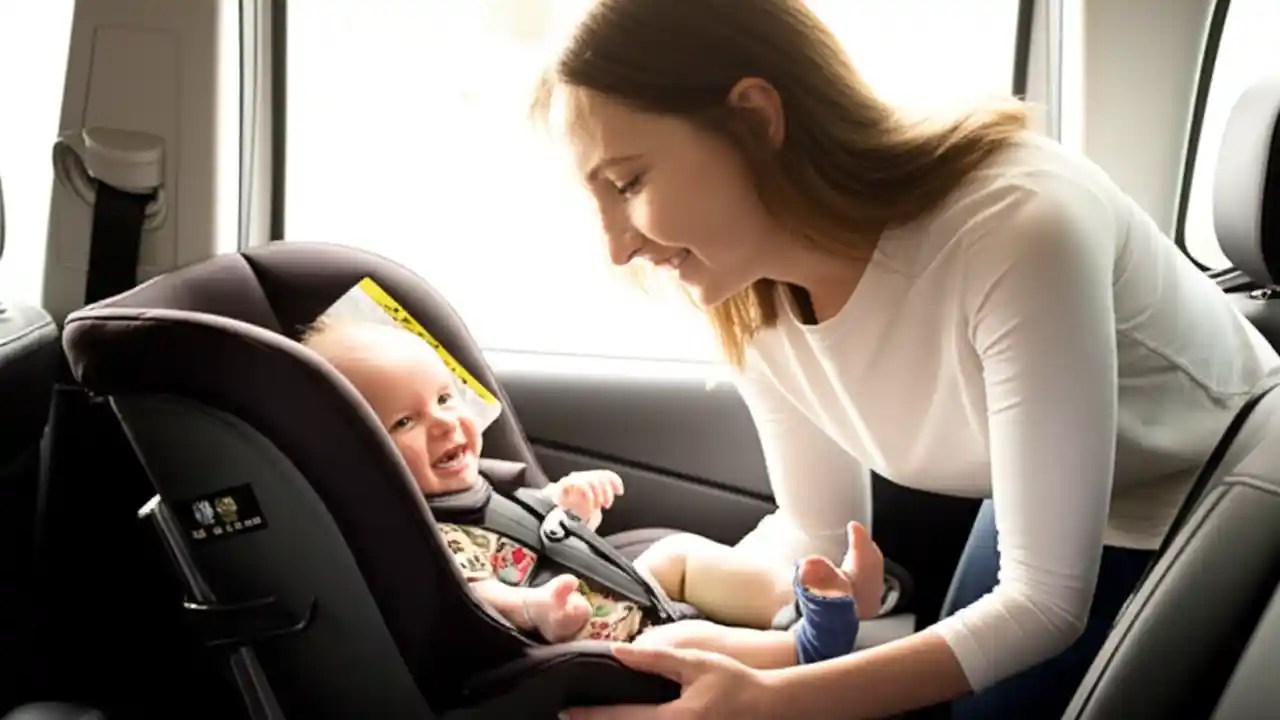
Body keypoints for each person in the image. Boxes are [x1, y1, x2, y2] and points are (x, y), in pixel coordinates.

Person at [526, 1, 1280, 718]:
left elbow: (1045, 602)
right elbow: (820, 535)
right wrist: (694, 618)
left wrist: (769, 698)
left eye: (629, 184)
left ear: (755, 118)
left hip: (1212, 507)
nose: (616, 246)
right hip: (1041, 516)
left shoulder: (1017, 228)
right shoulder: (747, 292)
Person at [300, 316, 884, 669]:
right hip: (595, 640)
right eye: (405, 422)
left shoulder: (475, 492)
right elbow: (476, 593)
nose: (446, 424)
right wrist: (535, 609)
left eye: (447, 399)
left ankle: (793, 602)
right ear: (363, 459)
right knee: (682, 640)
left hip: (616, 594)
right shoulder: (432, 535)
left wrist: (566, 505)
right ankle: (807, 647)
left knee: (678, 556)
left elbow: (533, 533)